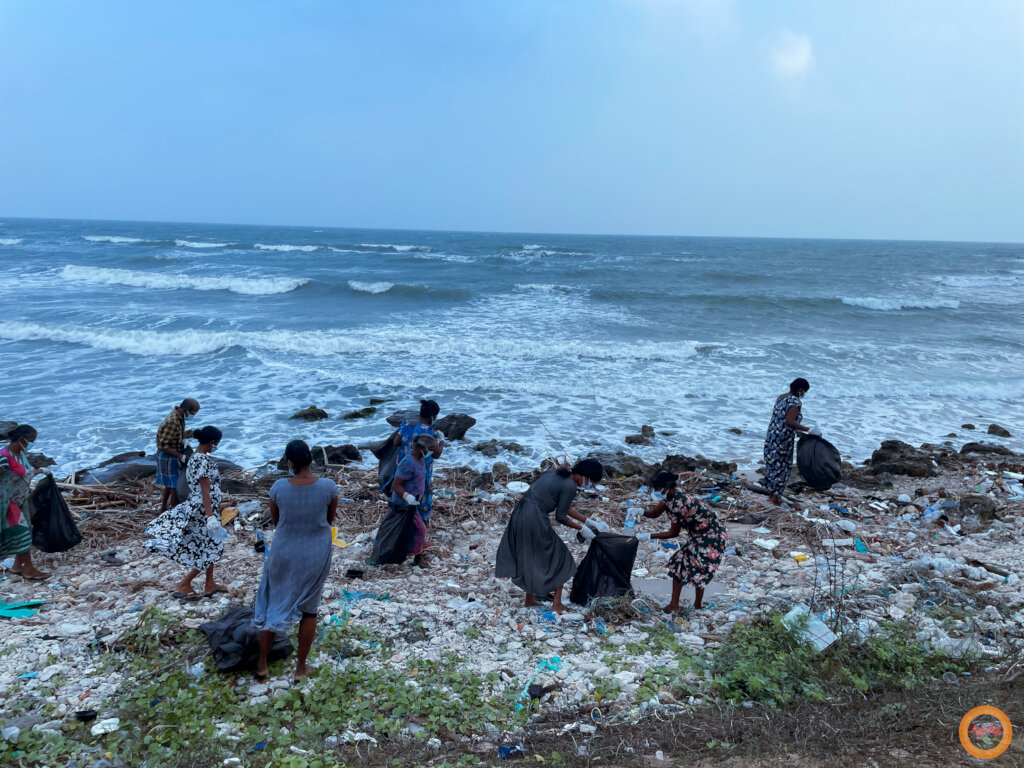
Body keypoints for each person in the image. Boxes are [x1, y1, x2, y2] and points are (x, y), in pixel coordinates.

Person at [253, 440, 338, 684]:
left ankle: (261, 666)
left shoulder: (278, 487)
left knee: (271, 603)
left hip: (283, 551)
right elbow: (329, 520)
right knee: (309, 611)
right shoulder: (328, 487)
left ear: (289, 462)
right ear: (311, 459)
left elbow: (277, 522)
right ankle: (300, 669)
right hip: (315, 553)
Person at [495, 459, 605, 614]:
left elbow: (565, 507)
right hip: (534, 518)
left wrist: (588, 521)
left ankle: (530, 599)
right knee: (560, 557)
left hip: (521, 513)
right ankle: (557, 603)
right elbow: (561, 517)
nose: (589, 485)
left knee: (530, 556)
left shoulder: (558, 474)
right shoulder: (570, 486)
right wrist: (582, 528)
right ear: (584, 475)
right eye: (590, 481)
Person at [144, 425, 227, 600]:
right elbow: (205, 490)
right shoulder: (204, 461)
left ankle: (210, 584)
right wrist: (210, 516)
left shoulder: (193, 458)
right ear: (212, 442)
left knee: (210, 544)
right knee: (211, 547)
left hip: (198, 506)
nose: (216, 446)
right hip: (204, 509)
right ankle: (184, 584)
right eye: (216, 443)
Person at [638, 469, 726, 614]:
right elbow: (654, 513)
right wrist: (639, 511)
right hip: (699, 534)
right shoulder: (670, 497)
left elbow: (674, 533)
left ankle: (695, 605)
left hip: (711, 536)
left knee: (700, 568)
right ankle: (675, 604)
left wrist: (648, 536)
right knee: (680, 564)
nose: (655, 491)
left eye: (657, 488)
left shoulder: (679, 502)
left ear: (665, 487)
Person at [370, 433, 437, 566]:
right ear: (421, 449)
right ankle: (415, 558)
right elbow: (396, 485)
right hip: (401, 505)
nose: (431, 452)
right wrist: (407, 497)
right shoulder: (408, 462)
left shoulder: (420, 460)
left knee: (396, 530)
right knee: (417, 529)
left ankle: (395, 553)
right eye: (429, 449)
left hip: (411, 505)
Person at [0, 425, 49, 580]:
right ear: (21, 440)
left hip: (20, 499)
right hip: (7, 503)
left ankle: (16, 566)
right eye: (30, 441)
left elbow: (24, 472)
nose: (30, 444)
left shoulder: (20, 454)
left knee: (28, 528)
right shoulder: (3, 457)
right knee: (23, 533)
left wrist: (40, 471)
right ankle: (28, 569)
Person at [761, 378, 817, 506]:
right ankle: (774, 498)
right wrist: (809, 429)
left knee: (772, 465)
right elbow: (789, 421)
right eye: (804, 392)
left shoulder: (781, 397)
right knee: (783, 467)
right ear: (800, 390)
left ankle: (770, 495)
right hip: (783, 439)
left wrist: (799, 432)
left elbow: (780, 419)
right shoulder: (795, 402)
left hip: (772, 435)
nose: (804, 395)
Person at [393, 399, 444, 525]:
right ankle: (419, 529)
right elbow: (437, 454)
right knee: (422, 498)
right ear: (433, 416)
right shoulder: (430, 432)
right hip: (420, 471)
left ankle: (402, 524)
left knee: (402, 494)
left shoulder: (406, 425)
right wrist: (442, 440)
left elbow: (395, 442)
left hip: (403, 468)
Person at [155, 398, 200, 512]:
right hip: (167, 454)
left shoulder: (179, 417)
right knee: (174, 484)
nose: (193, 415)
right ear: (185, 410)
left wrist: (188, 436)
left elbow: (177, 434)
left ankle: (163, 508)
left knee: (169, 483)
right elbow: (163, 445)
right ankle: (175, 510)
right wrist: (180, 456)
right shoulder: (173, 422)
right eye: (193, 413)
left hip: (172, 451)